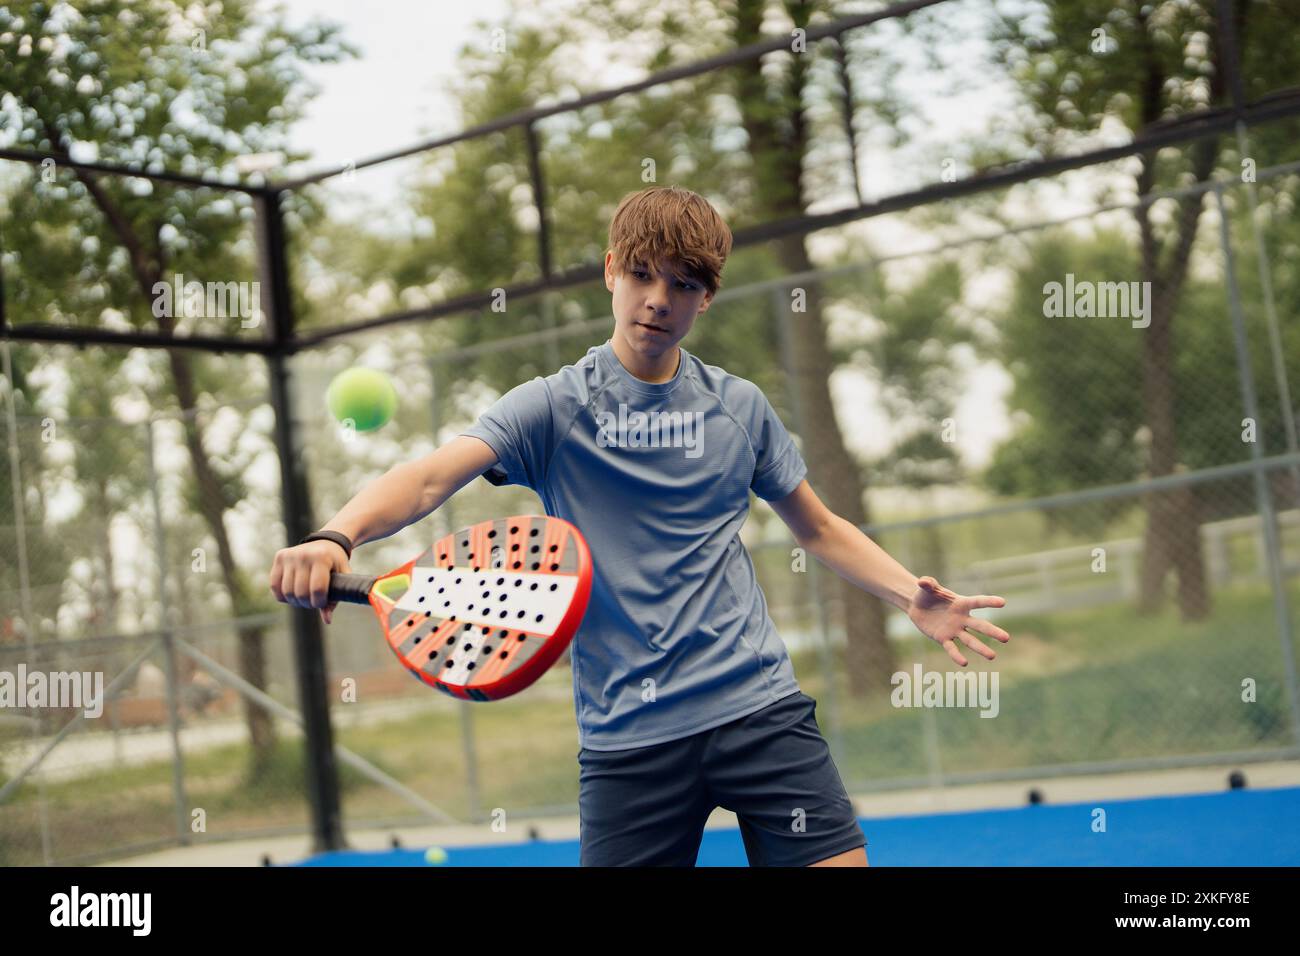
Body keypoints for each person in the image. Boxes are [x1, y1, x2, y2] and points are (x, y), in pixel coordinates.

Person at [269, 185, 1011, 866]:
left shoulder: (739, 408)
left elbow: (816, 528)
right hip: (629, 740)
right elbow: (431, 476)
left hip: (757, 710)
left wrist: (907, 594)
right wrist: (335, 536)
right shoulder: (552, 408)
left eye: (683, 285)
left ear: (706, 299)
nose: (659, 300)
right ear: (612, 272)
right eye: (643, 276)